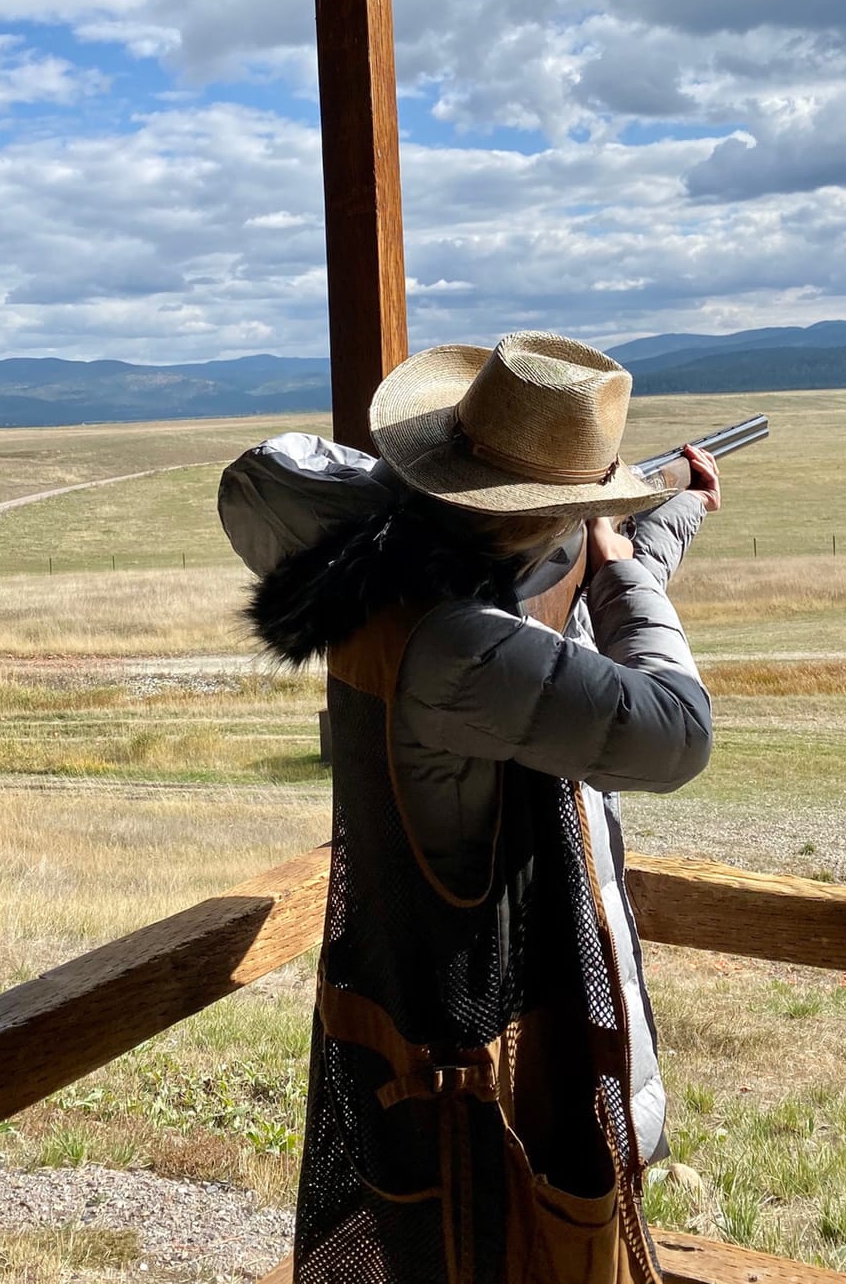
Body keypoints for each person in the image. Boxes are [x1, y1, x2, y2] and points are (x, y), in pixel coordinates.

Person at [218, 331, 719, 1283]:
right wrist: (620, 561)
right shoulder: (458, 644)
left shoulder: (384, 576)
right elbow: (671, 733)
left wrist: (661, 525)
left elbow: (555, 639)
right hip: (492, 1060)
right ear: (551, 512)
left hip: (425, 1040)